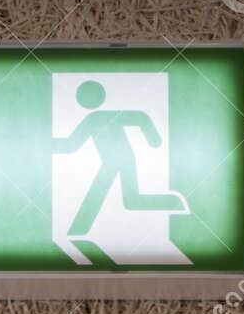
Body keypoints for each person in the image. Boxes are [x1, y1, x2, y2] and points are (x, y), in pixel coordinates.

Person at [54, 79, 188, 237]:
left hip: (120, 160)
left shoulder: (96, 118)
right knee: (131, 200)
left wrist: (153, 139)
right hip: (114, 161)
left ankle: (78, 229)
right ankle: (173, 203)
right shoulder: (94, 119)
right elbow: (72, 144)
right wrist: (153, 139)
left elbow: (139, 117)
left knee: (120, 197)